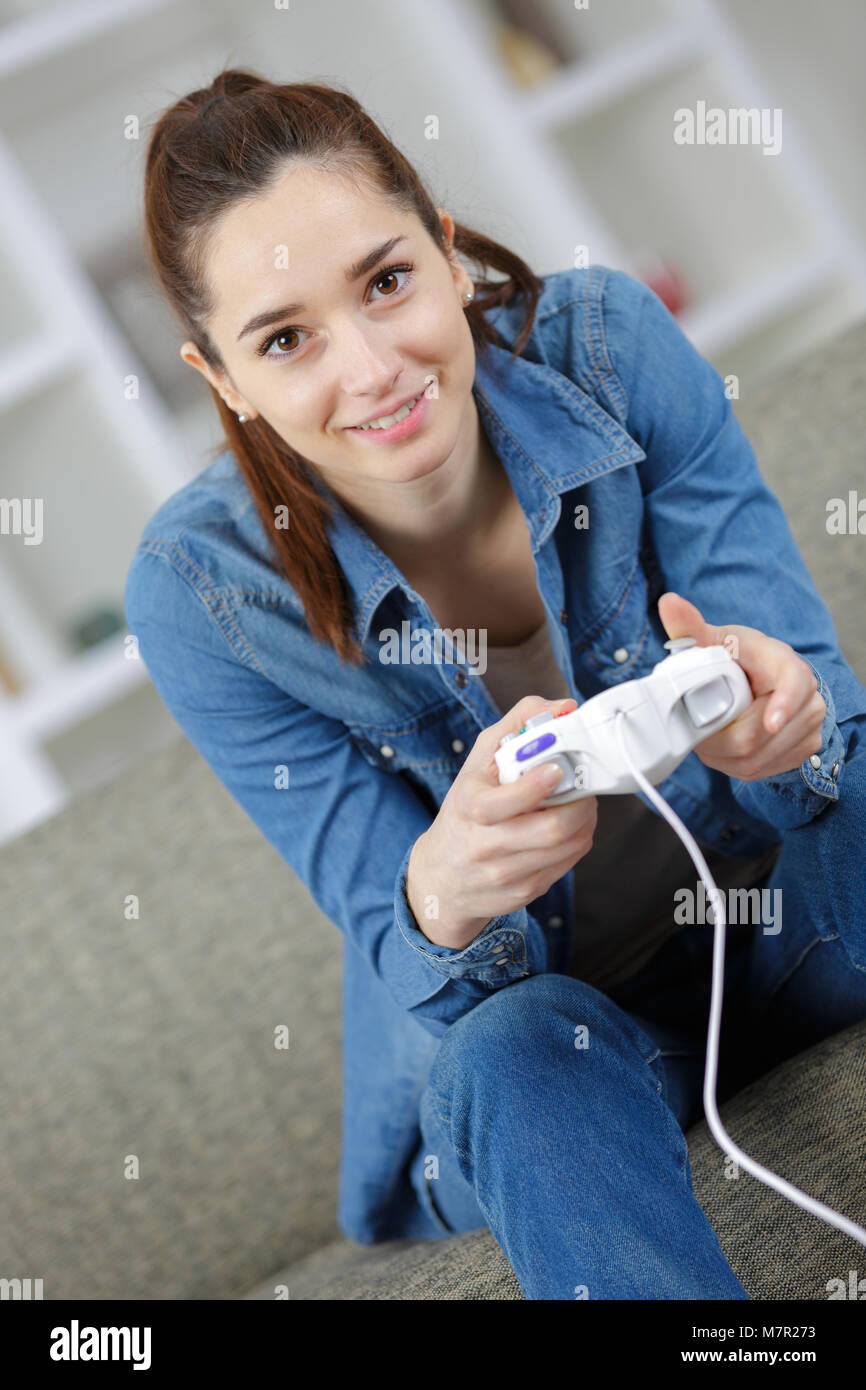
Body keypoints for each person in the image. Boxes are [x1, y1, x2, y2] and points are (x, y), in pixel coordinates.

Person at [125, 68, 866, 1300]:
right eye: (285, 338)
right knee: (511, 1051)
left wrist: (788, 729)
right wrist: (444, 890)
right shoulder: (203, 597)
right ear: (222, 379)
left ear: (446, 245)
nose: (369, 370)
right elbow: (402, 953)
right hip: (558, 1050)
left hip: (772, 933)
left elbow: (827, 730)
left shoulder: (609, 347)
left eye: (385, 280)